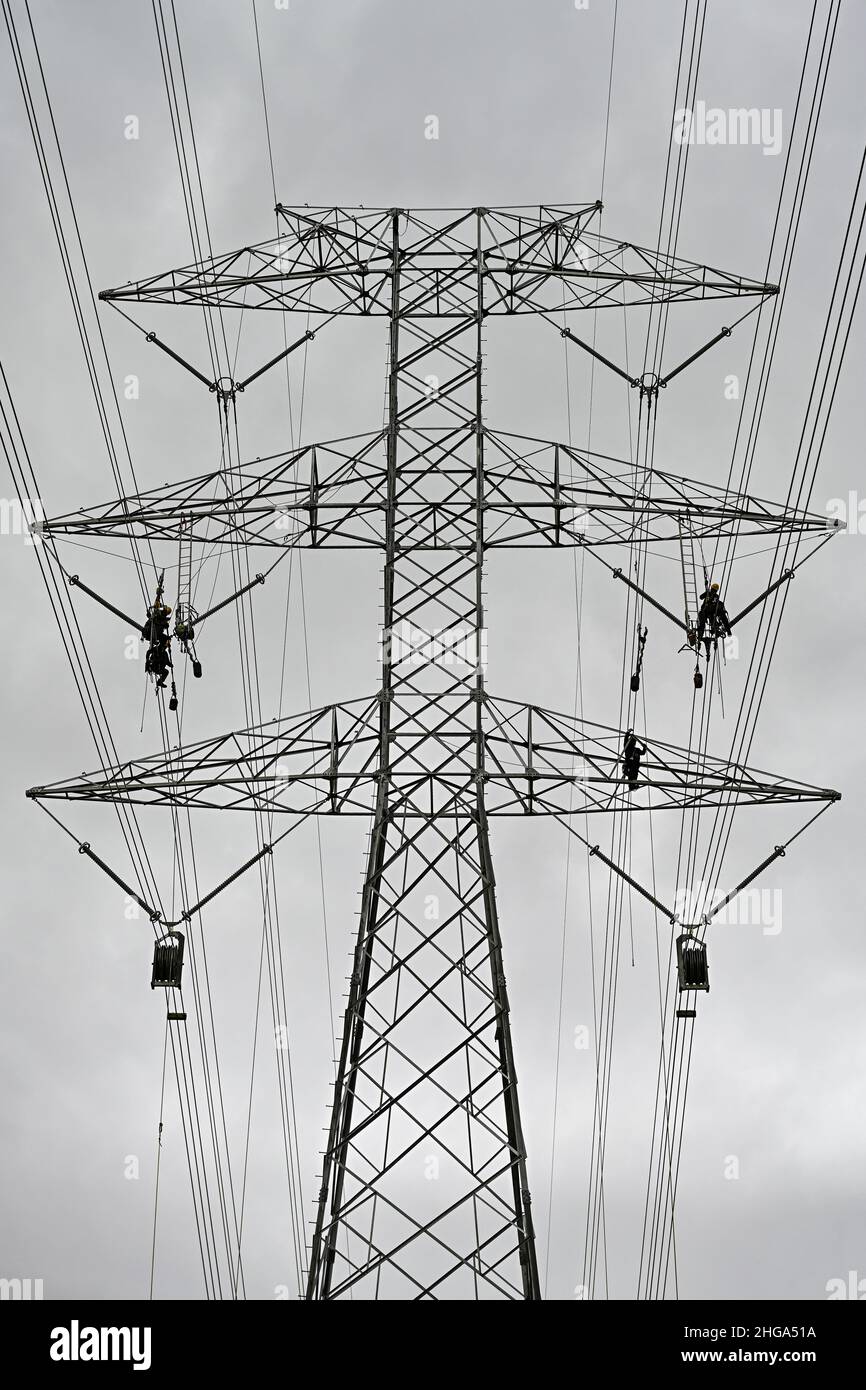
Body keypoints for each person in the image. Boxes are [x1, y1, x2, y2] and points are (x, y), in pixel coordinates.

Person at [141, 602, 173, 689]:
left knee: (166, 672)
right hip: (155, 665)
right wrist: (147, 660)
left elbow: (167, 661)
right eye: (165, 612)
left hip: (158, 668)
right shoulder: (157, 649)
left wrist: (170, 664)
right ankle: (159, 680)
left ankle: (160, 682)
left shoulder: (164, 653)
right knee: (165, 638)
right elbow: (149, 652)